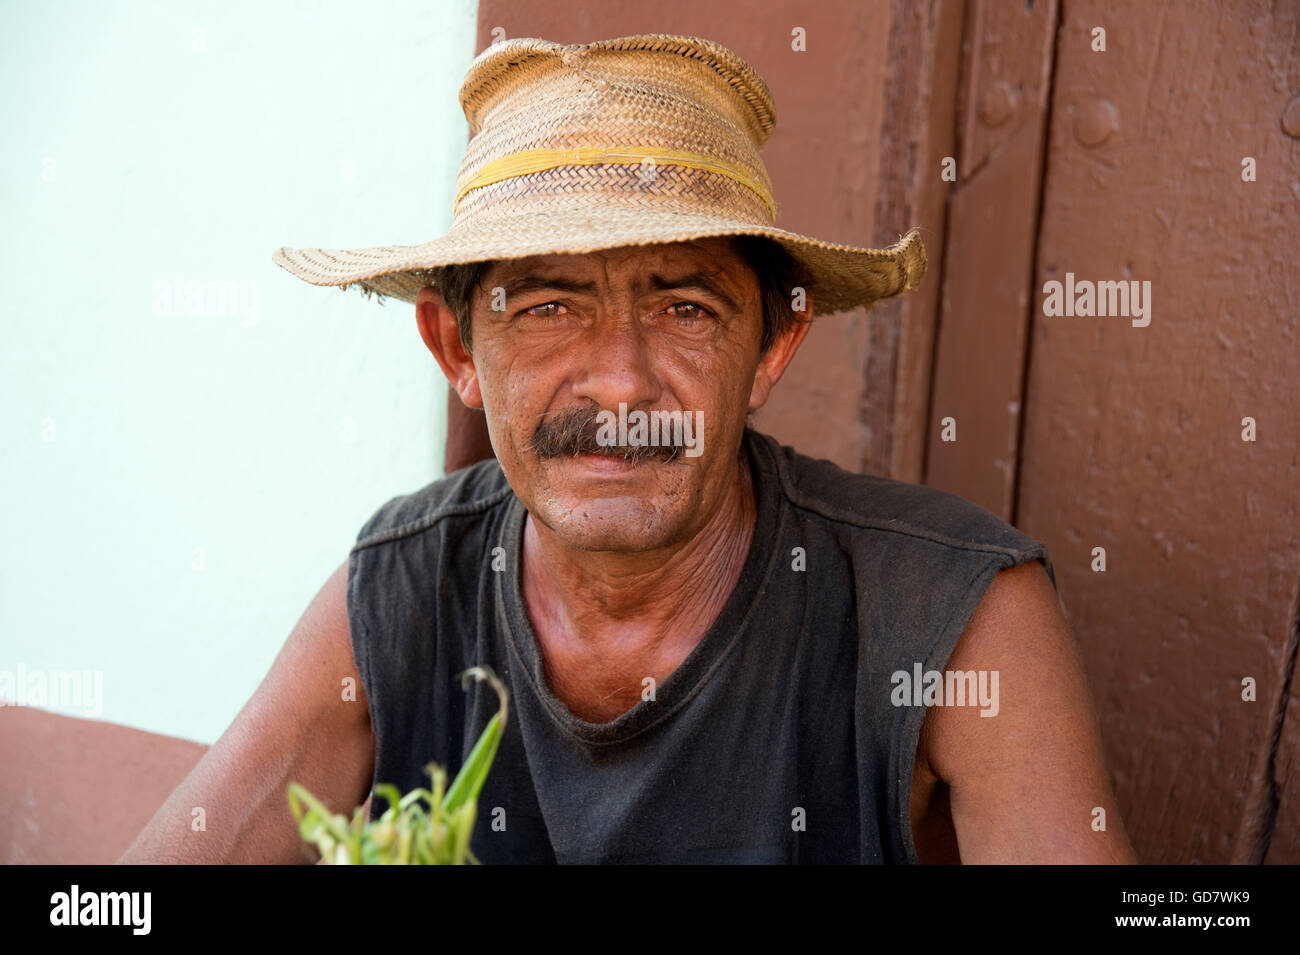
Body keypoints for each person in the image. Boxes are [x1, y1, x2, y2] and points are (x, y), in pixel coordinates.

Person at [119, 33, 1134, 864]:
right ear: (454, 347)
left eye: (686, 306)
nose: (618, 381)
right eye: (549, 305)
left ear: (773, 343)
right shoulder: (404, 586)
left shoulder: (949, 612)